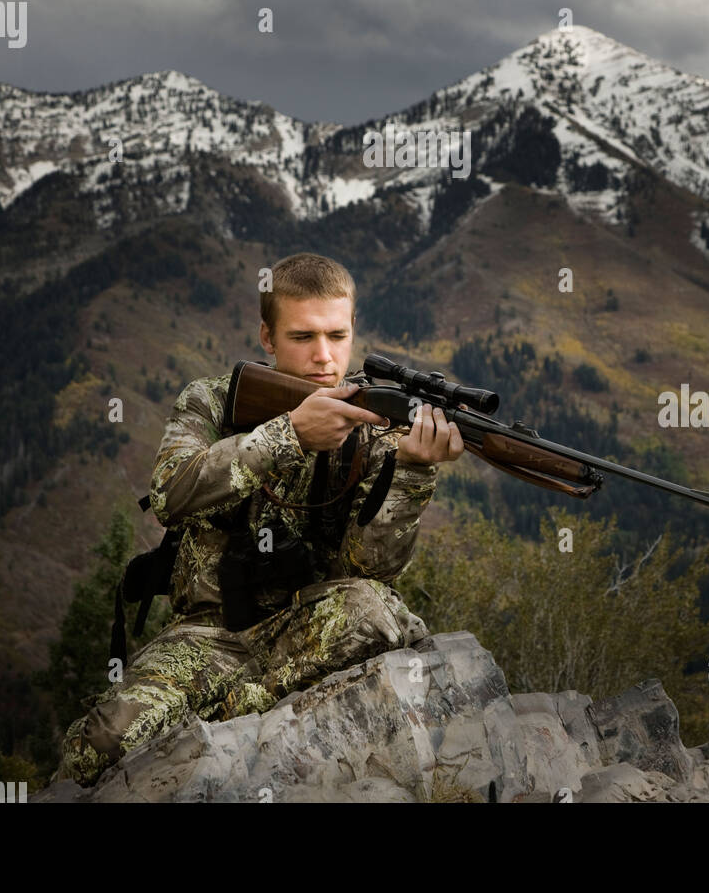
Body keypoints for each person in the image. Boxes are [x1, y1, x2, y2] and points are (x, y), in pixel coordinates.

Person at [55, 251, 463, 787]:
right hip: (206, 637)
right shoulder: (213, 401)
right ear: (267, 338)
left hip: (311, 628)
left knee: (378, 614)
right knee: (96, 749)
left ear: (354, 330)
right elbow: (170, 494)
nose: (324, 356)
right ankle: (246, 707)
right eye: (302, 337)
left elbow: (369, 570)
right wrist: (288, 435)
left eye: (337, 336)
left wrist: (411, 472)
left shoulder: (374, 428)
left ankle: (239, 709)